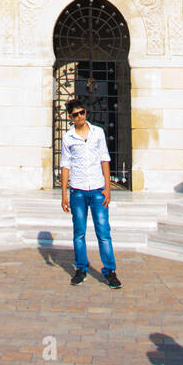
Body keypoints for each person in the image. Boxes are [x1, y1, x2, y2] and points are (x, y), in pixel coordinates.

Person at [60, 96, 121, 289]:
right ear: (70, 117)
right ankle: (81, 268)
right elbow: (65, 165)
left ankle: (110, 271)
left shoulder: (98, 133)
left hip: (97, 189)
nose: (79, 117)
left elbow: (104, 158)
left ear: (86, 112)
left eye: (82, 112)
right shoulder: (68, 137)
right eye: (75, 114)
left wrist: (108, 187)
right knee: (79, 232)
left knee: (103, 232)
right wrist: (64, 194)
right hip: (77, 190)